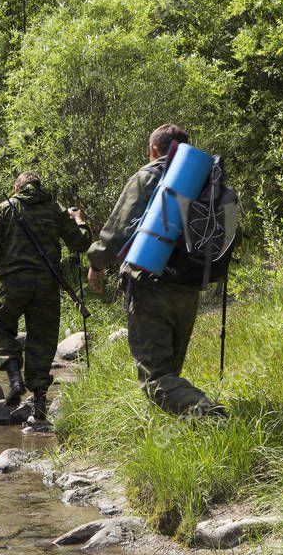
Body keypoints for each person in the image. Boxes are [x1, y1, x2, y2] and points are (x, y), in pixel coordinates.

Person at [87, 124, 227, 418]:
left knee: (155, 378)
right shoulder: (205, 180)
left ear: (153, 150)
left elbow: (116, 231)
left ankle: (211, 414)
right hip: (189, 284)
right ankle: (185, 425)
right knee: (170, 369)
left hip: (149, 284)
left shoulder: (148, 176)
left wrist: (96, 265)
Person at [0, 172, 92, 426]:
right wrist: (80, 220)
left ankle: (14, 379)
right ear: (39, 187)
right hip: (47, 285)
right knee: (42, 339)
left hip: (13, 284)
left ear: (18, 187)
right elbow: (80, 243)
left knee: (1, 327)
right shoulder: (55, 209)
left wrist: (4, 263)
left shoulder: (6, 208)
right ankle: (39, 405)